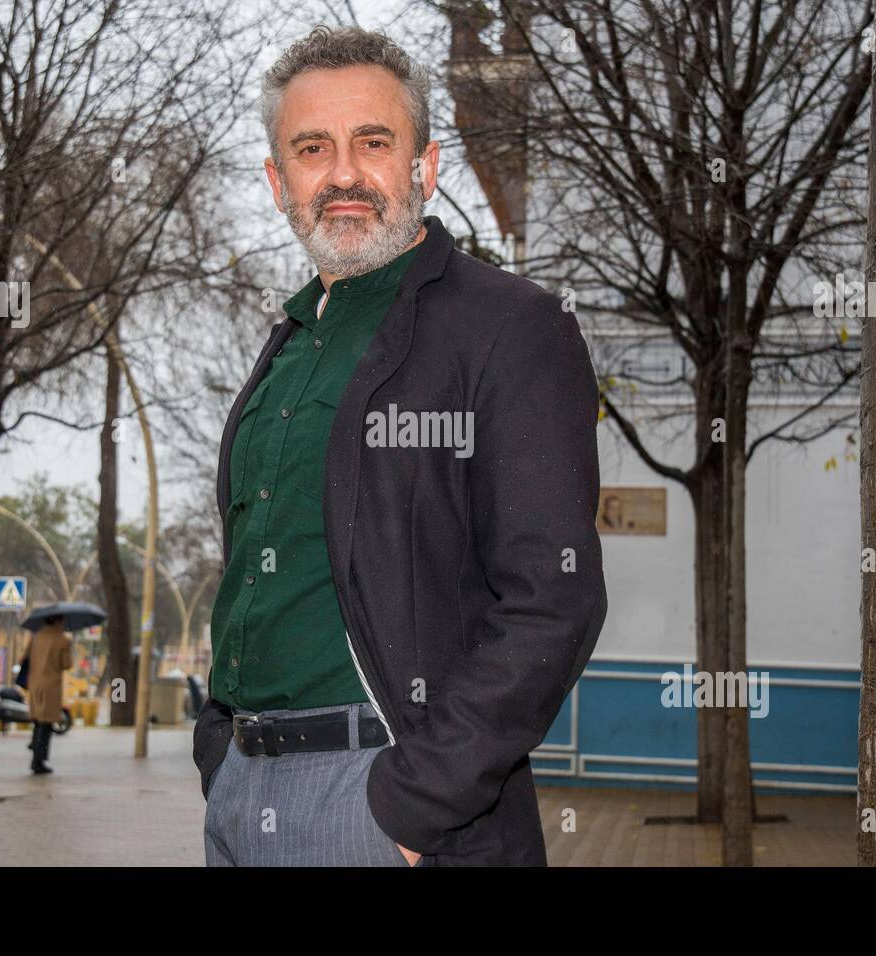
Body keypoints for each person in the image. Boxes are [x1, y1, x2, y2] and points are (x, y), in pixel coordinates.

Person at [193, 25, 606, 866]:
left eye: (372, 142)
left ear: (425, 164)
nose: (343, 173)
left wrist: (414, 805)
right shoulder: (291, 341)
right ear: (279, 182)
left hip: (379, 803)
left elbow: (551, 600)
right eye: (313, 149)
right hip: (240, 790)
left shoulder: (510, 327)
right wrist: (218, 752)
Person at [24, 615, 72, 774]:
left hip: (35, 683)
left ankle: (35, 754)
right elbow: (66, 664)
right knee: (46, 723)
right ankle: (39, 760)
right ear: (58, 621)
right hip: (51, 685)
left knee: (38, 721)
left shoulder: (36, 637)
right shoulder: (63, 640)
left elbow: (25, 658)